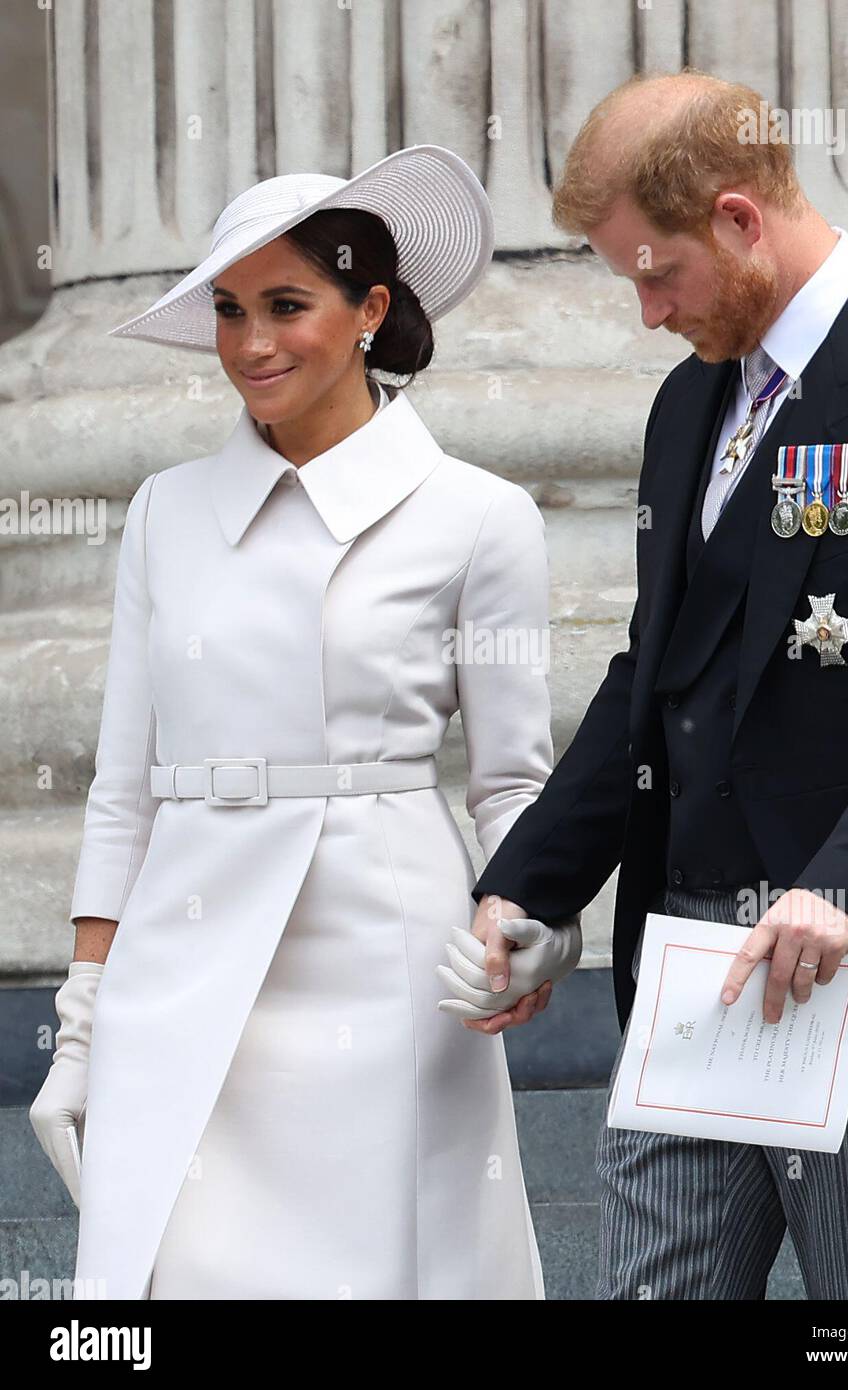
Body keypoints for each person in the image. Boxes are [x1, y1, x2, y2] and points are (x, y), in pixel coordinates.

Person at [465, 71, 848, 1299]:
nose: (647, 312)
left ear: (741, 220)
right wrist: (526, 885)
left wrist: (841, 888)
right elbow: (650, 672)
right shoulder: (688, 401)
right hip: (689, 968)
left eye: (658, 274)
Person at [29, 144, 579, 1300]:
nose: (251, 344)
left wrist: (541, 921)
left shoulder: (482, 517)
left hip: (387, 970)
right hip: (177, 963)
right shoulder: (165, 513)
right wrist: (83, 1018)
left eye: (286, 305)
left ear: (371, 309)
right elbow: (122, 787)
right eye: (229, 311)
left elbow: (511, 784)